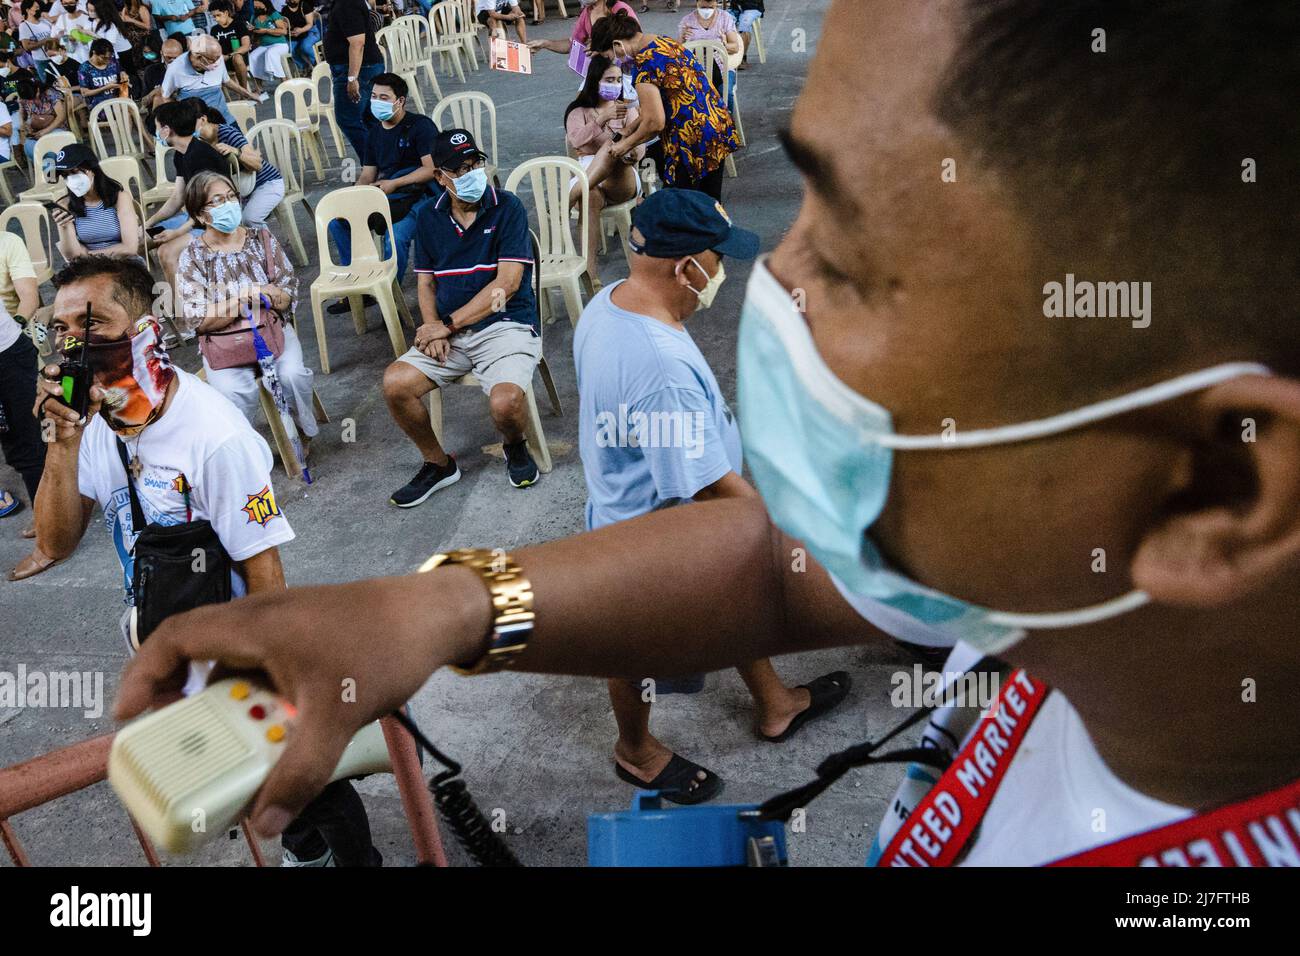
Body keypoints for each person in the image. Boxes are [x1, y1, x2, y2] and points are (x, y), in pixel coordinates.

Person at [114, 0, 1300, 871]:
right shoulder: (1064, 571)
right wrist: (447, 604)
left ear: (1215, 487)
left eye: (844, 258)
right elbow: (778, 571)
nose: (772, 284)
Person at [34, 254, 382, 867]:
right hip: (164, 641)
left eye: (92, 326)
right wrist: (61, 446)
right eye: (61, 330)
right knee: (246, 778)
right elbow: (56, 543)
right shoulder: (93, 426)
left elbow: (264, 567)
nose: (72, 345)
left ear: (144, 331)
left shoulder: (215, 436)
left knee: (306, 777)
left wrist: (265, 675)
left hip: (237, 649)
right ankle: (303, 850)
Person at [576, 189, 849, 800]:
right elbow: (706, 486)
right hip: (653, 537)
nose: (722, 272)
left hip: (625, 500)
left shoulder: (608, 304)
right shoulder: (661, 367)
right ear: (685, 267)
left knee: (733, 602)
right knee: (633, 647)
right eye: (717, 259)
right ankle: (637, 750)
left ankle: (775, 701)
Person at [382, 127, 542, 504]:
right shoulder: (428, 217)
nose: (471, 174)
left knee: (505, 403)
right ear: (439, 177)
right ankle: (438, 464)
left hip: (505, 325)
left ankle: (515, 445)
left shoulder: (508, 208)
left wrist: (447, 325)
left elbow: (508, 283)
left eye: (475, 164)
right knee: (396, 383)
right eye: (459, 169)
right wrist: (431, 329)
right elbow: (426, 285)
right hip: (449, 333)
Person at [176, 171, 317, 449]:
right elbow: (197, 319)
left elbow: (287, 293)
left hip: (272, 332)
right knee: (232, 391)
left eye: (231, 197)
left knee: (291, 375)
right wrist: (243, 299)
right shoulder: (192, 256)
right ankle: (245, 447)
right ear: (202, 215)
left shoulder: (261, 239)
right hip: (223, 344)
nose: (229, 204)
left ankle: (301, 431)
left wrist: (268, 295)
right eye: (218, 201)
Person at [589, 10, 738, 199]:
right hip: (715, 126)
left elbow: (655, 123)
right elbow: (662, 104)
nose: (614, 62)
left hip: (691, 137)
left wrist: (625, 145)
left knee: (680, 205)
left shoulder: (644, 66)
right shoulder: (665, 42)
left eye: (610, 56)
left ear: (618, 44)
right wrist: (629, 130)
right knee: (709, 204)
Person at [325, 72, 437, 297]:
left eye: (384, 98)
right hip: (386, 196)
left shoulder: (420, 126)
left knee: (395, 238)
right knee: (338, 223)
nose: (376, 102)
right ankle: (361, 285)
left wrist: (395, 183)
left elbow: (431, 169)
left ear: (400, 101)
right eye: (374, 96)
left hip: (421, 196)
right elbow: (368, 175)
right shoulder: (374, 133)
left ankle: (388, 293)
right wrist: (353, 199)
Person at [146, 99, 233, 325]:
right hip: (192, 218)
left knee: (166, 252)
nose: (156, 132)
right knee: (140, 241)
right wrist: (148, 223)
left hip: (214, 221)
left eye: (157, 127)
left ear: (167, 129)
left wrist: (176, 233)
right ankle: (154, 308)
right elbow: (177, 199)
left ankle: (187, 318)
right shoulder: (180, 154)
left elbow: (208, 209)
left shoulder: (201, 155)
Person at [564, 55, 642, 278]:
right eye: (609, 80)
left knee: (612, 146)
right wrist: (600, 120)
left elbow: (640, 144)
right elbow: (576, 140)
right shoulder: (577, 111)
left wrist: (632, 153)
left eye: (618, 80)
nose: (615, 85)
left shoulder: (626, 109)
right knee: (589, 196)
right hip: (589, 175)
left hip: (620, 177)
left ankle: (571, 196)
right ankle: (591, 273)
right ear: (595, 80)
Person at [0, 230, 46, 581]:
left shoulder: (7, 242)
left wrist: (18, 325)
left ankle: (49, 529)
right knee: (15, 441)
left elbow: (29, 295)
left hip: (8, 350)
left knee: (25, 438)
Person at [194, 104, 285, 229]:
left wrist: (236, 151)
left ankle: (270, 247)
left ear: (203, 120)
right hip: (242, 191)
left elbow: (257, 165)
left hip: (267, 184)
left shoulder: (227, 133)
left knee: (250, 218)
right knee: (221, 221)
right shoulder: (201, 142)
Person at [49, 143, 142, 262]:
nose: (71, 179)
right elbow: (72, 255)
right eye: (65, 175)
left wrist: (89, 256)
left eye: (75, 172)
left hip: (123, 262)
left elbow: (130, 248)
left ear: (92, 170)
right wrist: (64, 226)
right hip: (89, 267)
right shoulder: (65, 205)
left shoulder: (119, 198)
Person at [322, 0, 382, 160]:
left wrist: (351, 77)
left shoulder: (346, 4)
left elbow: (357, 43)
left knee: (349, 120)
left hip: (357, 69)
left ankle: (373, 166)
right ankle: (385, 163)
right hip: (362, 67)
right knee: (370, 119)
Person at [160, 33, 259, 123]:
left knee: (239, 141)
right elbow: (166, 97)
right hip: (196, 123)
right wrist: (181, 119)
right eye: (213, 60)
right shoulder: (175, 68)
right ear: (199, 57)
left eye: (218, 58)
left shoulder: (217, 57)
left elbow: (226, 80)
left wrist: (248, 94)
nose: (218, 62)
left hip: (223, 117)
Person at [528, 0, 635, 56]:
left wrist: (602, 46)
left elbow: (635, 42)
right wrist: (545, 43)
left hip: (625, 72)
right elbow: (573, 44)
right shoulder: (587, 13)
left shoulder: (620, 8)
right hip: (600, 71)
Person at [207, 0, 254, 96]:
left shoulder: (239, 25)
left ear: (226, 13)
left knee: (237, 57)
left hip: (239, 59)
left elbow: (246, 46)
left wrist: (229, 55)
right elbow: (214, 48)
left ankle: (244, 92)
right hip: (223, 60)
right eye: (214, 16)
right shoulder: (214, 30)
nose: (216, 19)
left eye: (218, 15)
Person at [16, 74, 67, 160]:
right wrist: (24, 125)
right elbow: (22, 114)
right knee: (29, 146)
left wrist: (45, 131)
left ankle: (55, 167)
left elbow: (61, 117)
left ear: (38, 90)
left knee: (48, 147)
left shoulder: (50, 93)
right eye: (29, 100)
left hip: (55, 128)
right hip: (37, 131)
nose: (32, 101)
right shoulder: (23, 98)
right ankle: (45, 168)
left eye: (34, 97)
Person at [75, 37, 127, 114]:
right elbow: (85, 93)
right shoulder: (85, 68)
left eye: (109, 57)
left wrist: (123, 74)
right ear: (94, 52)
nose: (107, 60)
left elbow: (121, 72)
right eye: (104, 58)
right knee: (125, 113)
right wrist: (105, 88)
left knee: (132, 109)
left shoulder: (112, 62)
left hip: (117, 100)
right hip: (98, 105)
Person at [246, 0, 288, 88]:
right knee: (252, 57)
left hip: (280, 44)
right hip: (264, 45)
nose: (257, 9)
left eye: (259, 7)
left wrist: (266, 30)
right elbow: (254, 35)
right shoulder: (254, 17)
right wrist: (252, 30)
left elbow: (283, 31)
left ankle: (284, 81)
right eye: (255, 7)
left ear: (265, 4)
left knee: (271, 53)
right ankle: (259, 86)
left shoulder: (273, 14)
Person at [16, 0, 51, 83]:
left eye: (39, 7)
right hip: (41, 60)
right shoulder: (24, 26)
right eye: (36, 8)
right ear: (28, 10)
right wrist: (45, 41)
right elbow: (27, 47)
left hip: (54, 58)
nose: (39, 9)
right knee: (48, 85)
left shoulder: (45, 21)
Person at [282, 0, 320, 72]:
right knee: (289, 49)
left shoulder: (304, 6)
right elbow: (287, 25)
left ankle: (316, 63)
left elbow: (310, 24)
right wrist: (289, 29)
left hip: (310, 31)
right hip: (296, 33)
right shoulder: (284, 10)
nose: (292, 1)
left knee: (305, 46)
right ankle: (304, 67)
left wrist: (301, 30)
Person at [728, 0, 761, 69]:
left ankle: (742, 58)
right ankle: (724, 57)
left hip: (752, 7)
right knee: (723, 21)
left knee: (744, 26)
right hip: (734, 8)